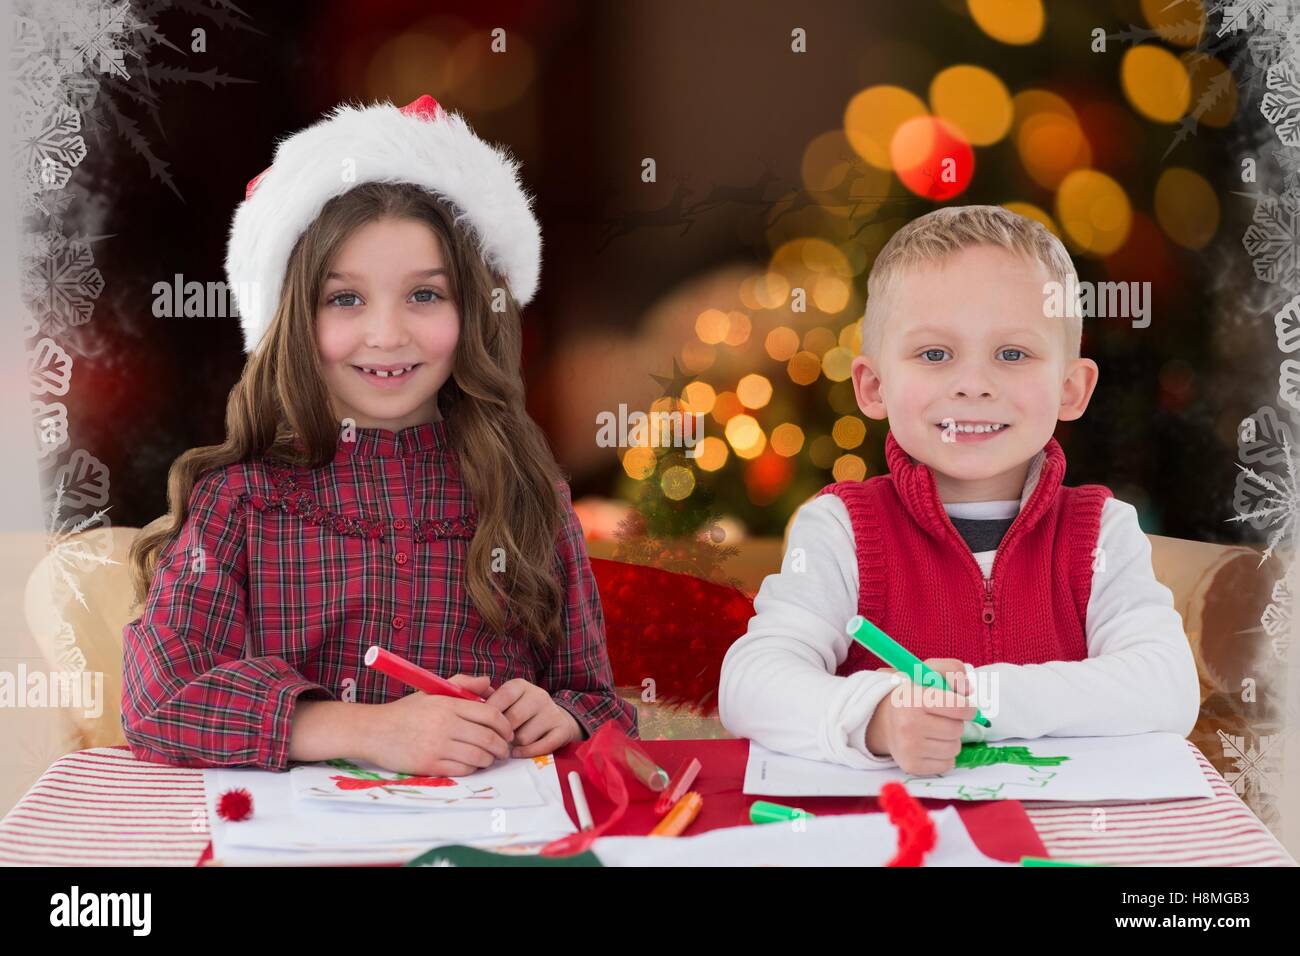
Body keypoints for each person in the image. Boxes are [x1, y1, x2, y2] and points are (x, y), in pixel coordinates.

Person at [123, 95, 636, 775]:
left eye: (425, 295)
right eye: (345, 298)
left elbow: (599, 700)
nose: (388, 334)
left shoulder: (530, 496)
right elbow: (159, 702)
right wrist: (368, 731)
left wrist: (562, 714)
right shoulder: (241, 501)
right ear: (293, 319)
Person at [719, 204, 1199, 774]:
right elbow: (751, 685)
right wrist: (881, 715)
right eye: (935, 354)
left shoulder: (1103, 533)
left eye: (1012, 354)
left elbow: (1166, 685)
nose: (973, 385)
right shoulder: (841, 529)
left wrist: (974, 700)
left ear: (1071, 388)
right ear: (873, 386)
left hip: (1060, 843)